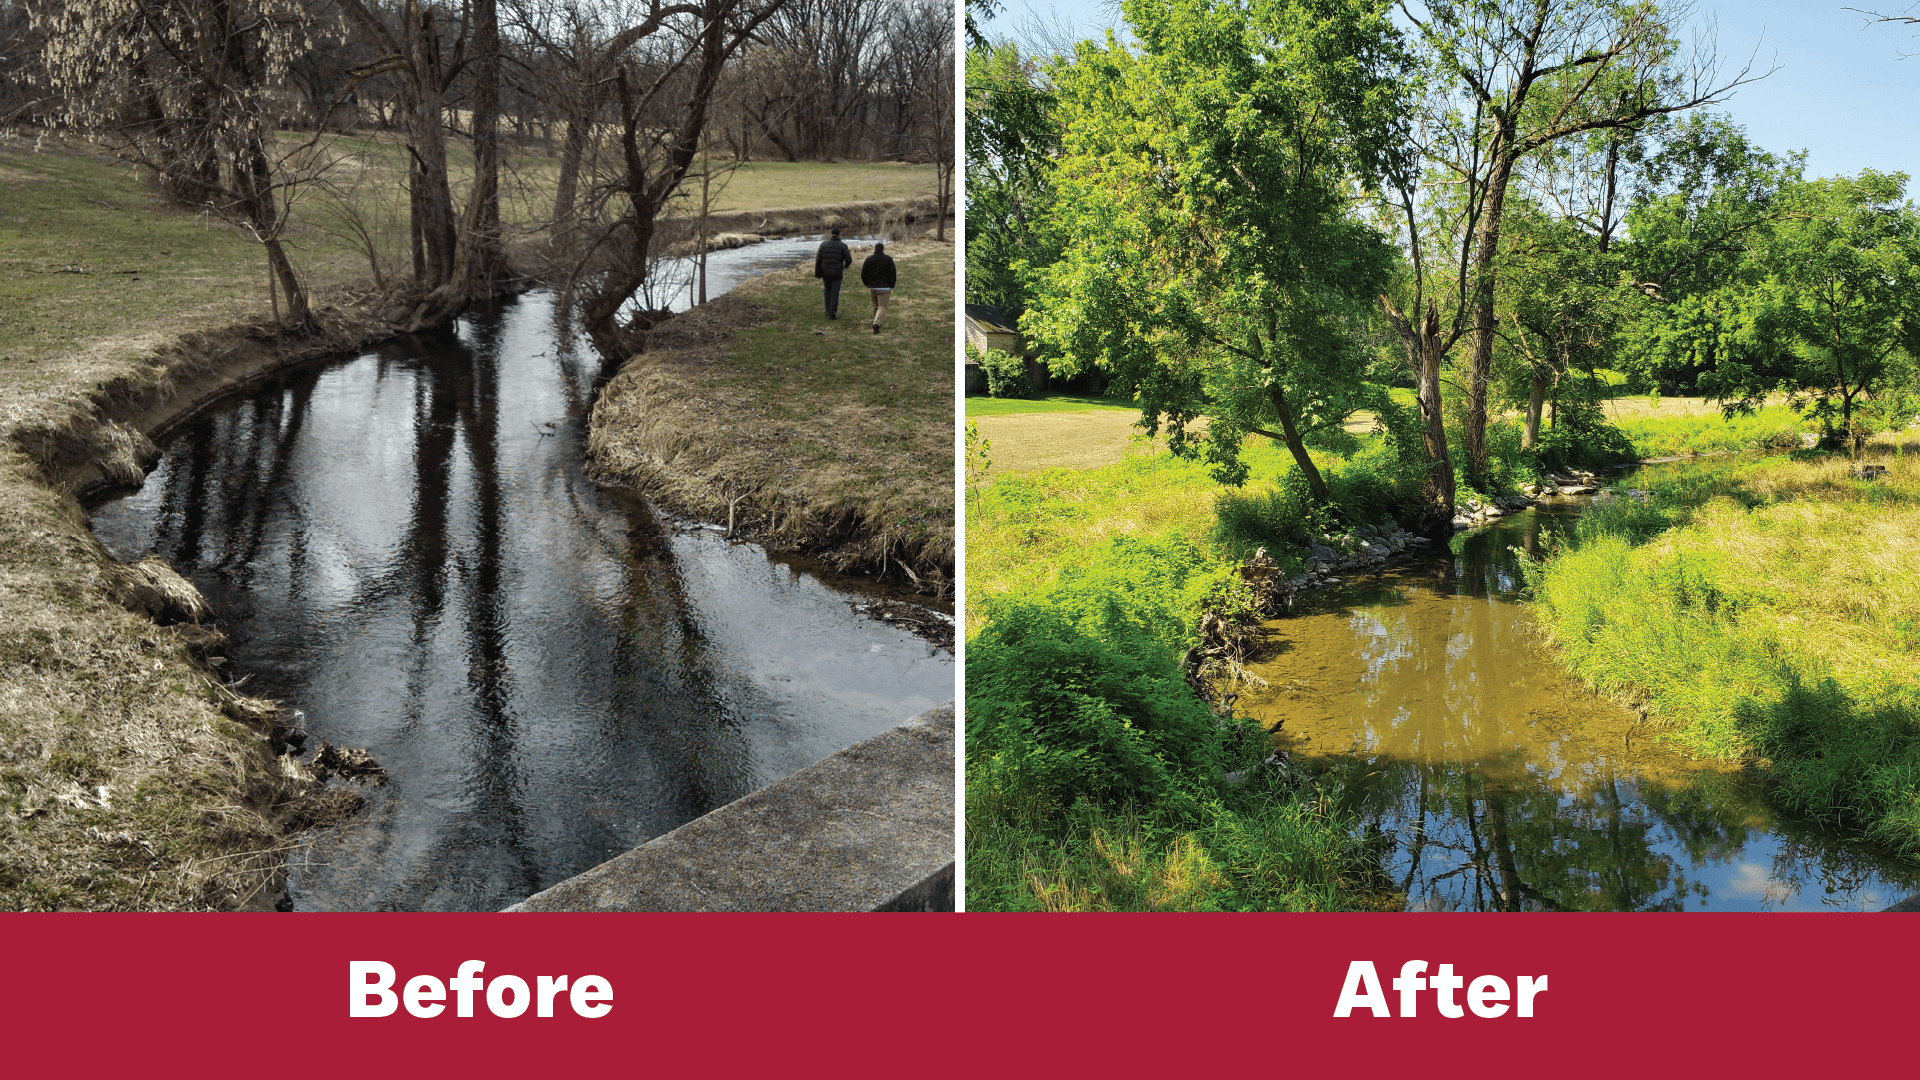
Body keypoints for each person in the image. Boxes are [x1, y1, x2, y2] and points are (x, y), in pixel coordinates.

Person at [813, 227, 852, 319]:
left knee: (827, 291)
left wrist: (817, 272)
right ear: (839, 234)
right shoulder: (843, 245)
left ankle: (827, 310)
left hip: (825, 272)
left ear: (831, 233)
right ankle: (832, 314)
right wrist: (844, 266)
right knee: (835, 293)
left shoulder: (823, 245)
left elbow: (818, 260)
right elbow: (849, 260)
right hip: (837, 273)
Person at [860, 242, 896, 334]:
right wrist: (891, 285)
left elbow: (863, 273)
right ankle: (876, 323)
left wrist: (867, 283)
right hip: (885, 288)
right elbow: (893, 273)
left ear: (874, 249)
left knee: (875, 306)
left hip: (872, 287)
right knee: (882, 306)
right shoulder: (888, 259)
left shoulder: (869, 259)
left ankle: (875, 321)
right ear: (883, 249)